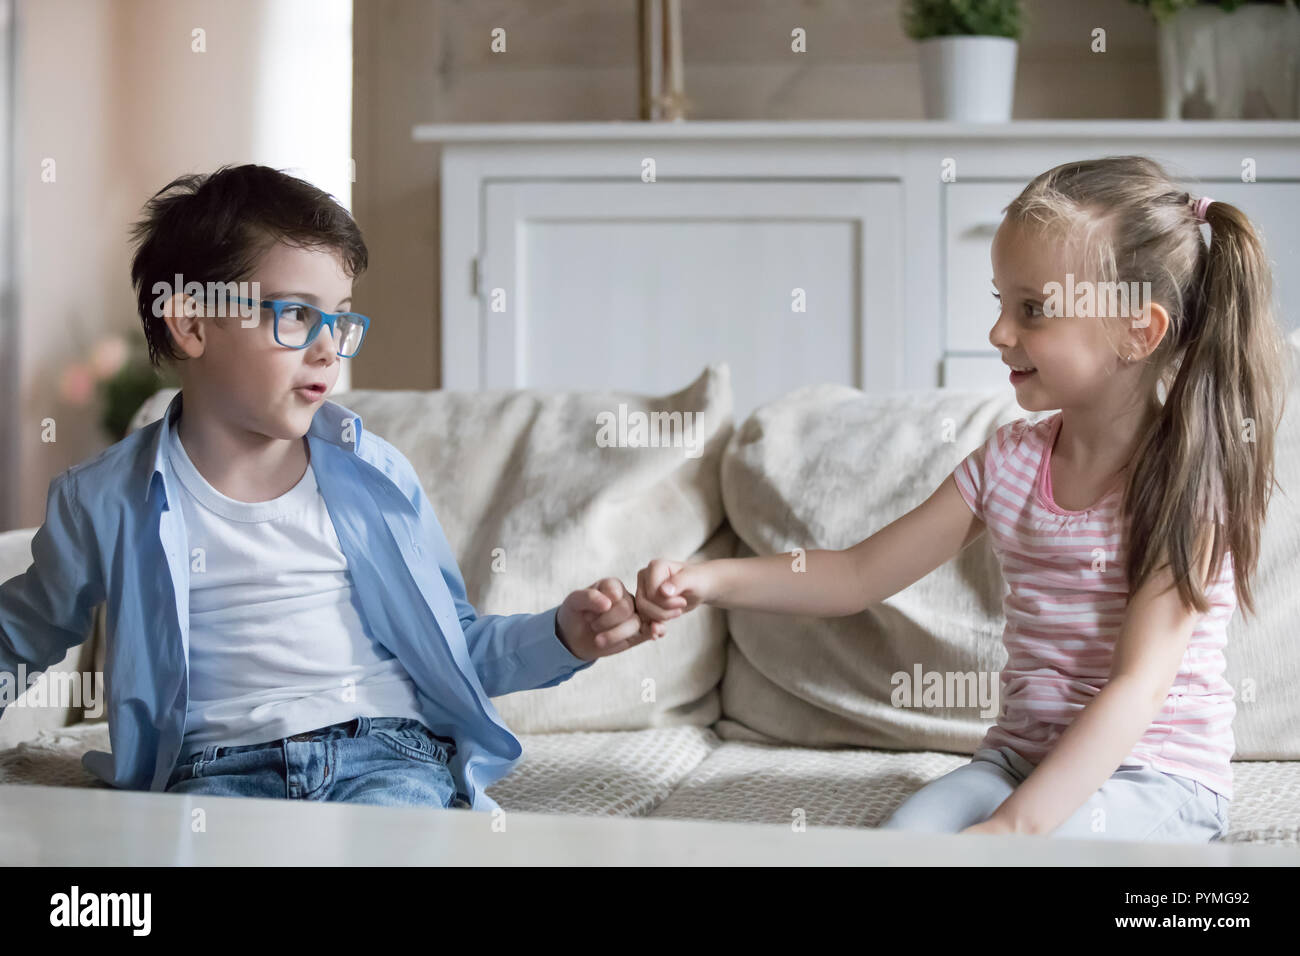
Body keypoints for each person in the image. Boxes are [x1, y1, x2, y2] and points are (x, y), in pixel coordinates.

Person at [634, 156, 1290, 841]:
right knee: (896, 846)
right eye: (1001, 303)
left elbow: (1138, 688)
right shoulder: (1009, 460)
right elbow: (856, 575)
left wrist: (1014, 828)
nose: (1000, 334)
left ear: (1139, 331)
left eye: (1032, 309)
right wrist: (706, 578)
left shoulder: (1191, 477)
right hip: (1016, 761)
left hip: (1156, 773)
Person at [0, 164, 650, 811]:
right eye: (295, 317)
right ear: (192, 324)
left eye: (338, 320)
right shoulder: (103, 500)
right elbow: (17, 637)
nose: (327, 350)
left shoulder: (375, 474)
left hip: (387, 756)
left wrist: (562, 635)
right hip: (215, 775)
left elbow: (457, 648)